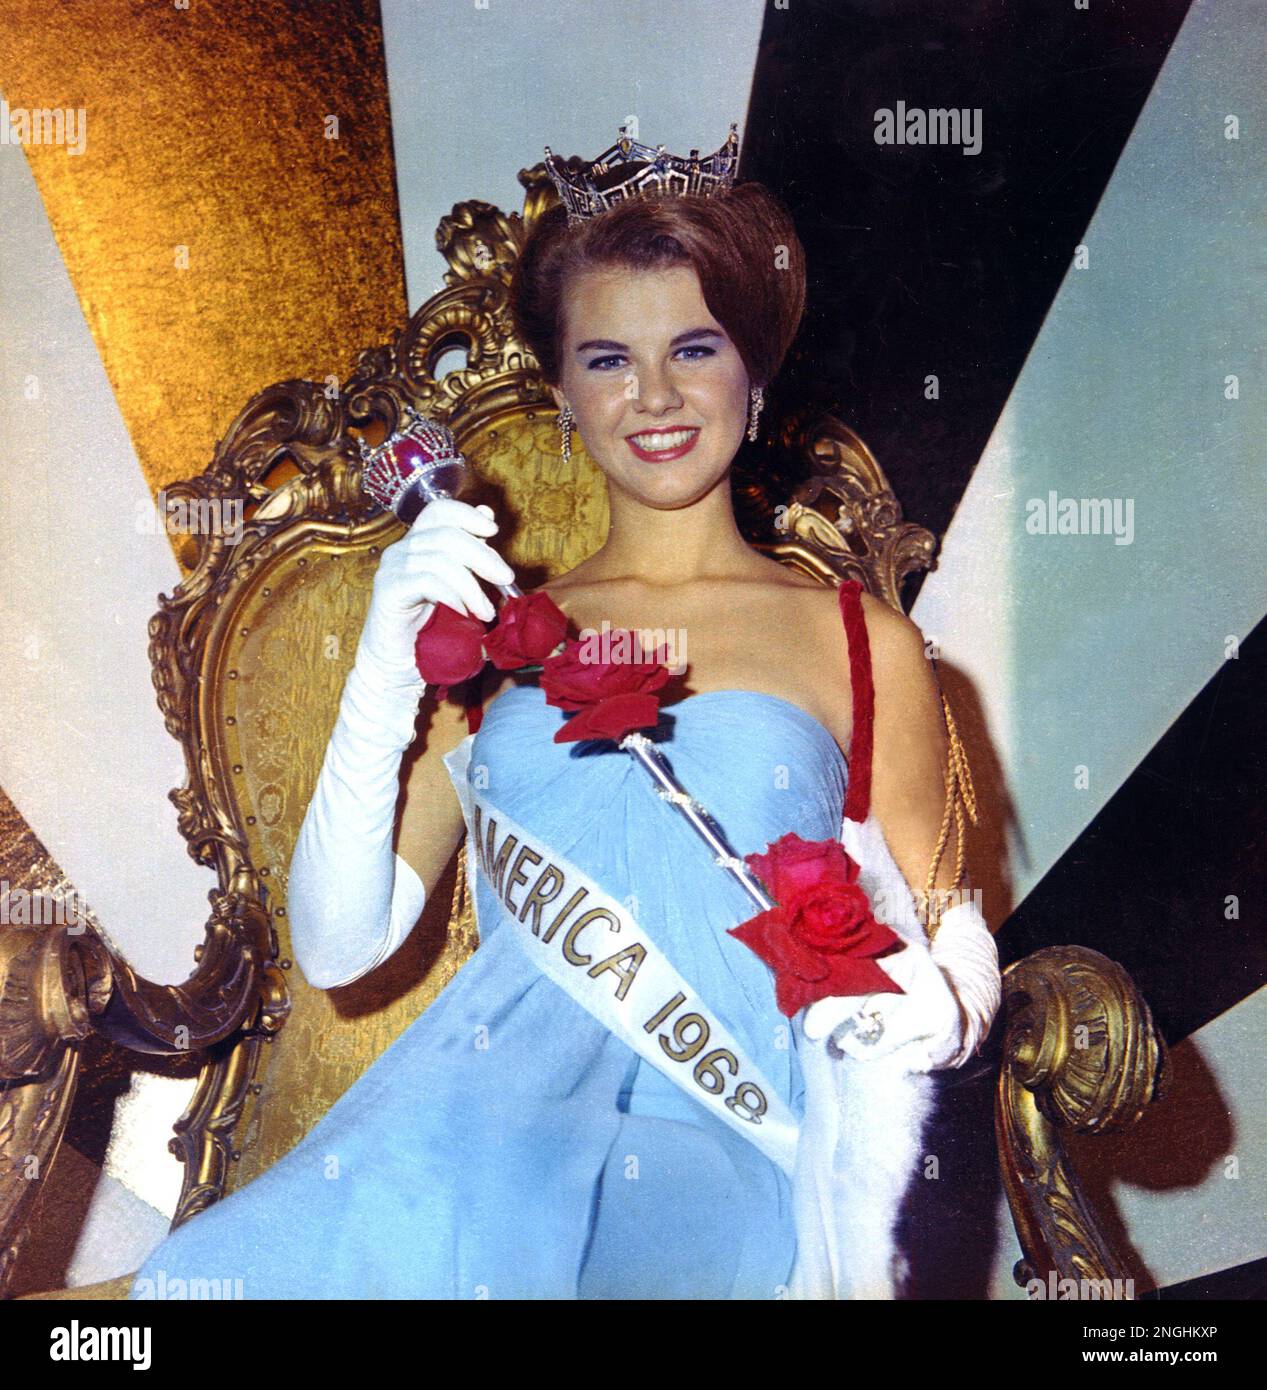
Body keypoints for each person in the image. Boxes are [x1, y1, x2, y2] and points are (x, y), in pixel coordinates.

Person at [127, 127, 1000, 1302]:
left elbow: (949, 927)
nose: (653, 397)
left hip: (733, 1143)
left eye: (694, 347)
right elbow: (342, 948)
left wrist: (939, 1015)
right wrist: (386, 673)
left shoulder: (859, 639)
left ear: (754, 374)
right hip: (485, 1130)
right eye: (606, 359)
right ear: (560, 398)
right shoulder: (491, 631)